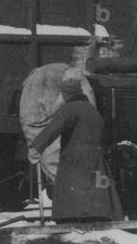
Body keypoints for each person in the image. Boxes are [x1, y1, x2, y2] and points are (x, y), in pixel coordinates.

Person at [29, 68, 123, 223]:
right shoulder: (91, 109)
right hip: (95, 158)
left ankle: (70, 220)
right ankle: (95, 217)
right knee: (94, 192)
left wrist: (36, 147)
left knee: (72, 192)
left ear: (67, 95)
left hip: (75, 159)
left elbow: (54, 128)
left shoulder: (70, 108)